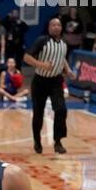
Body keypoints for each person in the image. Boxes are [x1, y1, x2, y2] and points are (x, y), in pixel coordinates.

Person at [23, 16, 73, 154]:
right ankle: (37, 141)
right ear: (49, 27)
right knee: (38, 114)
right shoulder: (42, 41)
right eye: (53, 25)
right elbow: (26, 57)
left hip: (56, 81)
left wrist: (68, 70)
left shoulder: (64, 43)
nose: (56, 27)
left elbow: (61, 57)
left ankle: (58, 141)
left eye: (58, 25)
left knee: (61, 109)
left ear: (61, 27)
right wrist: (41, 64)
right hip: (40, 81)